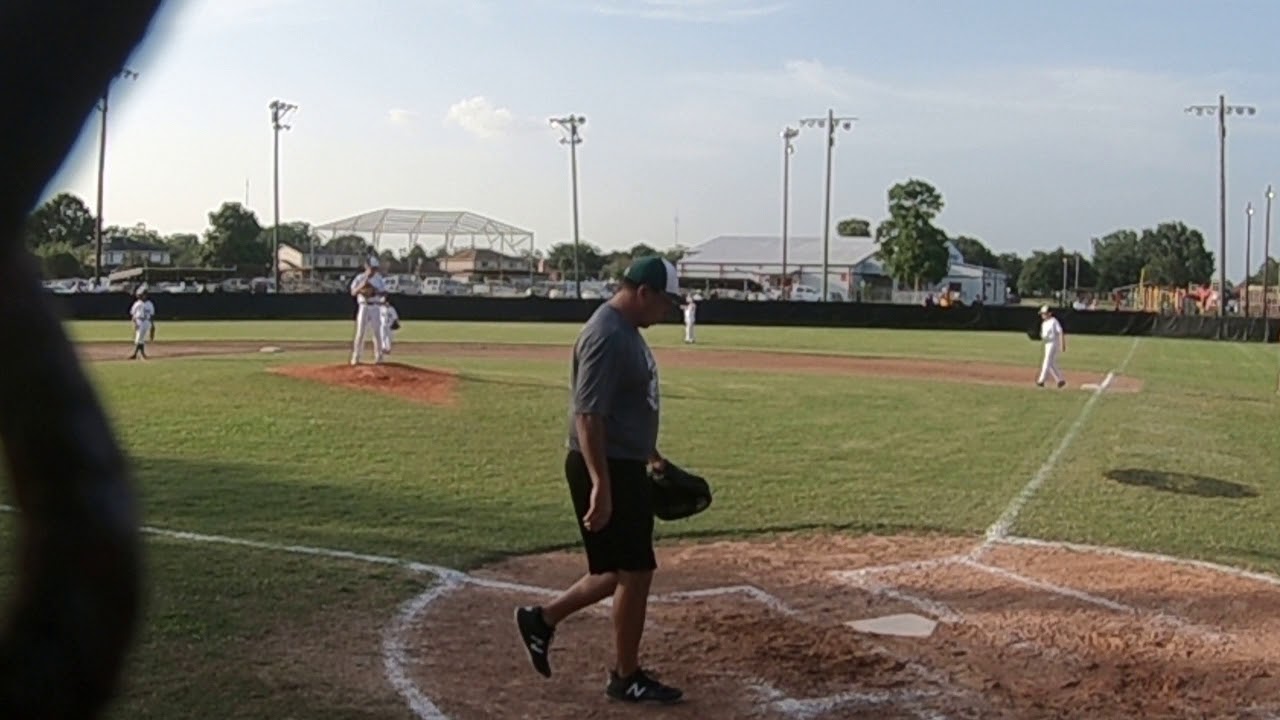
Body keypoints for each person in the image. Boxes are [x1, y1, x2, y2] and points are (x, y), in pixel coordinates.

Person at [514, 255, 685, 706]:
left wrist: (652, 457)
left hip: (623, 463)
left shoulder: (626, 331)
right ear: (643, 292)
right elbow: (588, 415)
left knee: (614, 572)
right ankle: (625, 676)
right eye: (665, 302)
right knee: (637, 570)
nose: (667, 311)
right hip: (606, 465)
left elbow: (625, 407)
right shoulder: (606, 335)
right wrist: (601, 484)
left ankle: (541, 620)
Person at [349, 256, 388, 365]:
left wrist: (374, 291)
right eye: (372, 268)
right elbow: (353, 292)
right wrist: (362, 287)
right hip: (363, 306)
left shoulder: (379, 278)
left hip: (375, 306)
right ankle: (356, 357)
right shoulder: (360, 277)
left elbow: (385, 292)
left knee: (377, 332)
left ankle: (379, 357)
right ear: (367, 266)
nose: (374, 270)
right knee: (360, 332)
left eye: (375, 268)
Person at [1036, 305, 1066, 388]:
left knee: (1046, 361)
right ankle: (1060, 380)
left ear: (1049, 313)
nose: (1043, 315)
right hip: (1047, 343)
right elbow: (1043, 335)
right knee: (1051, 363)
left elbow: (1060, 332)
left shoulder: (1054, 321)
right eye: (1042, 314)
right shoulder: (1044, 323)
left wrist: (1062, 344)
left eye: (1044, 314)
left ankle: (1041, 380)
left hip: (1053, 343)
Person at [128, 286, 154, 360]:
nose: (143, 296)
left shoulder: (149, 304)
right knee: (139, 338)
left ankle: (137, 354)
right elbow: (133, 314)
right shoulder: (137, 304)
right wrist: (134, 323)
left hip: (146, 321)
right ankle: (139, 354)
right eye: (142, 294)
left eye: (144, 294)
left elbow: (151, 315)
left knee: (141, 338)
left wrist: (152, 325)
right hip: (139, 320)